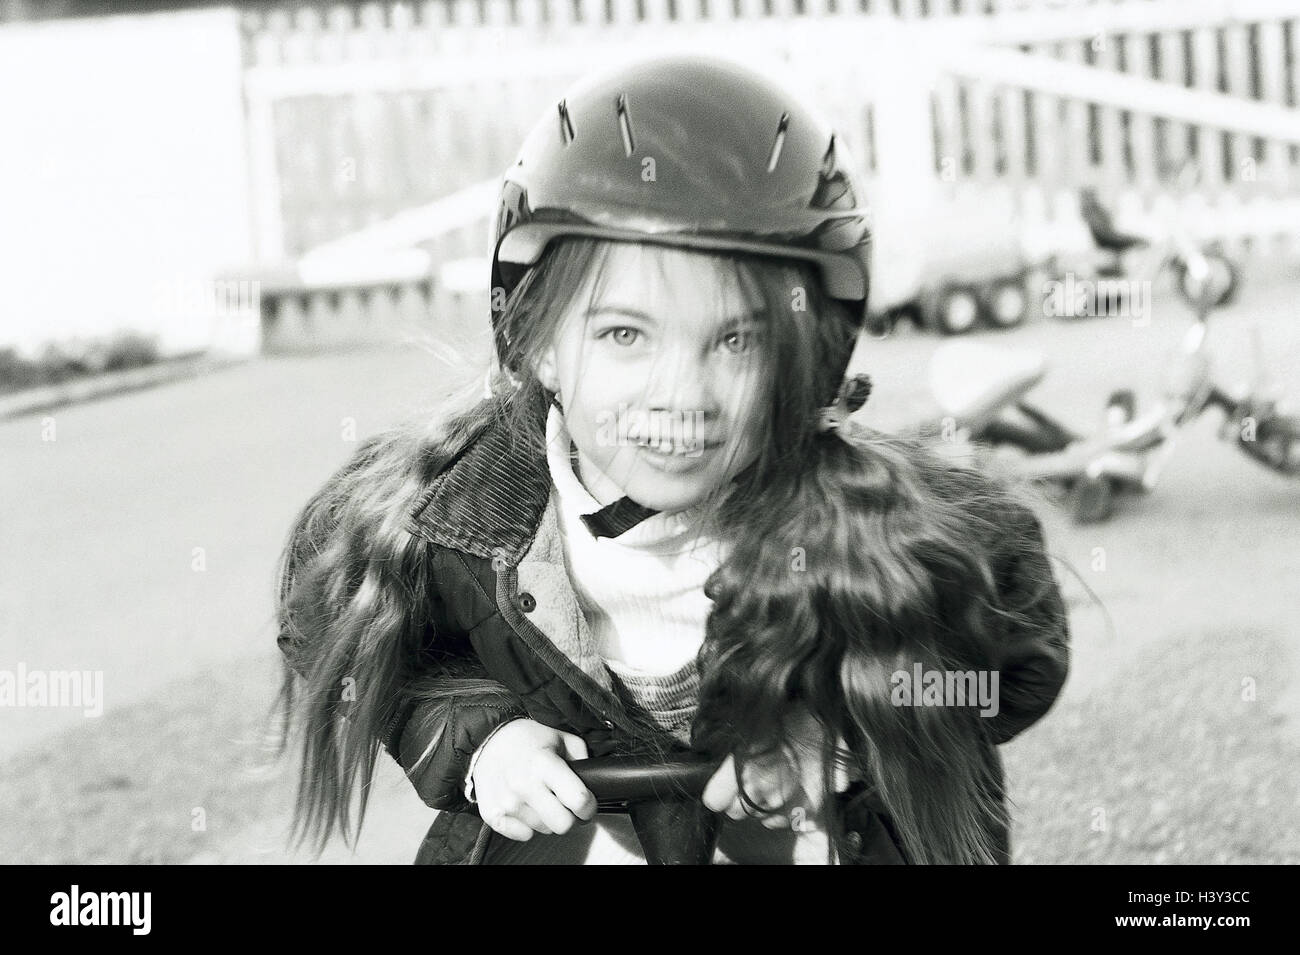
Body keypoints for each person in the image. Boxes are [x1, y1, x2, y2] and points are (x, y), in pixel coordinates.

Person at [274, 53, 1070, 865]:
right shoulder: (461, 521)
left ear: (802, 361)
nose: (681, 395)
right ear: (540, 345)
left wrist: (843, 732)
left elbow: (1014, 666)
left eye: (736, 340)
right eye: (625, 334)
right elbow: (330, 627)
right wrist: (479, 743)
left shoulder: (866, 520)